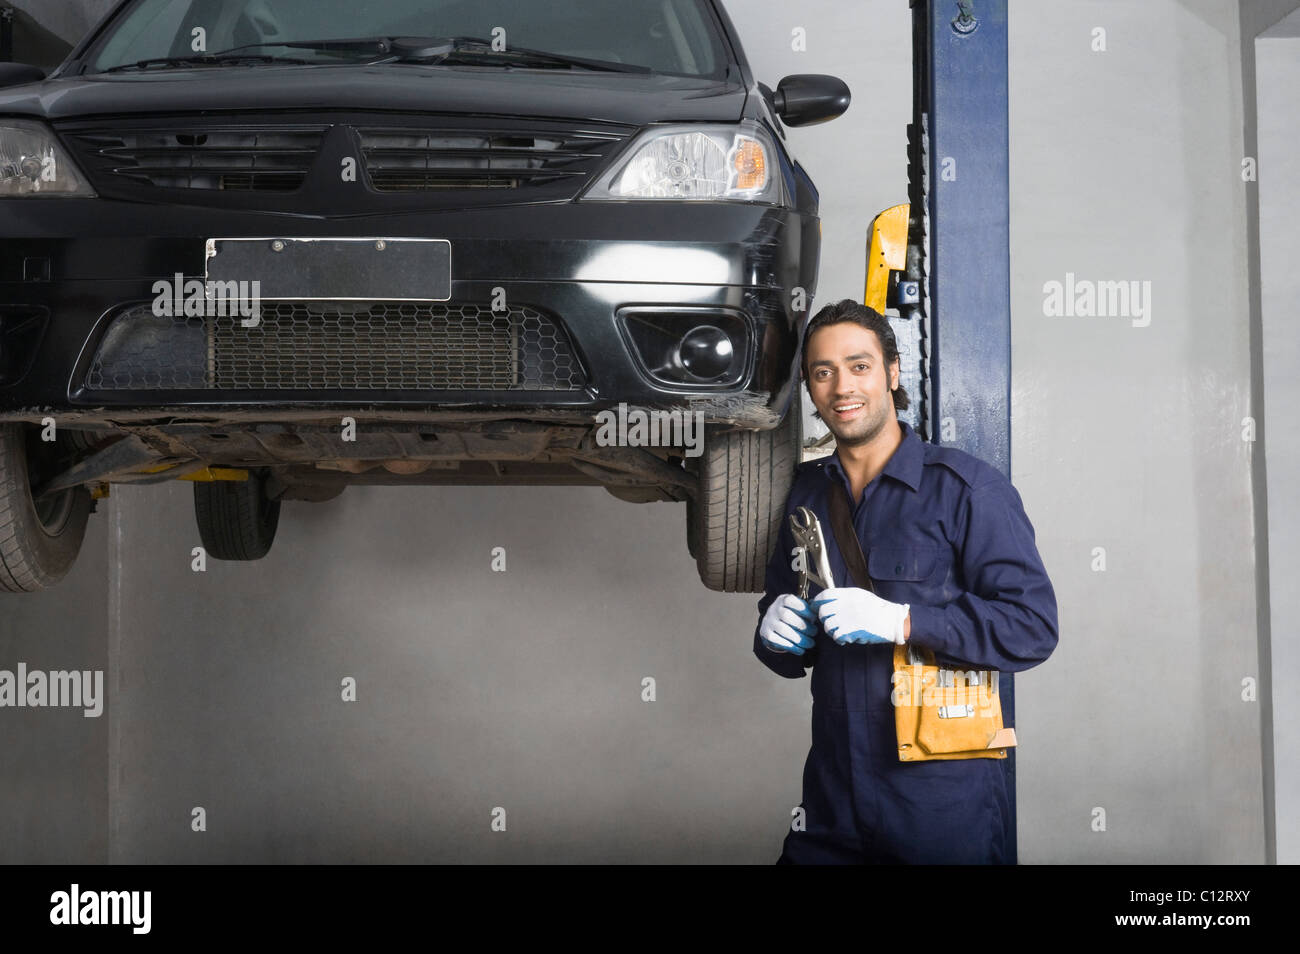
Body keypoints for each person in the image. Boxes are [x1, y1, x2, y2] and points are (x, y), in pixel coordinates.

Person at [754, 298, 1059, 864]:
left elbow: (1033, 628)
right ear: (810, 388)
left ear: (893, 373)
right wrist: (772, 632)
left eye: (859, 365)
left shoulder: (966, 491)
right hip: (833, 796)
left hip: (941, 802)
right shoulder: (804, 495)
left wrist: (904, 620)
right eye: (823, 372)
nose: (842, 385)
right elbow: (787, 647)